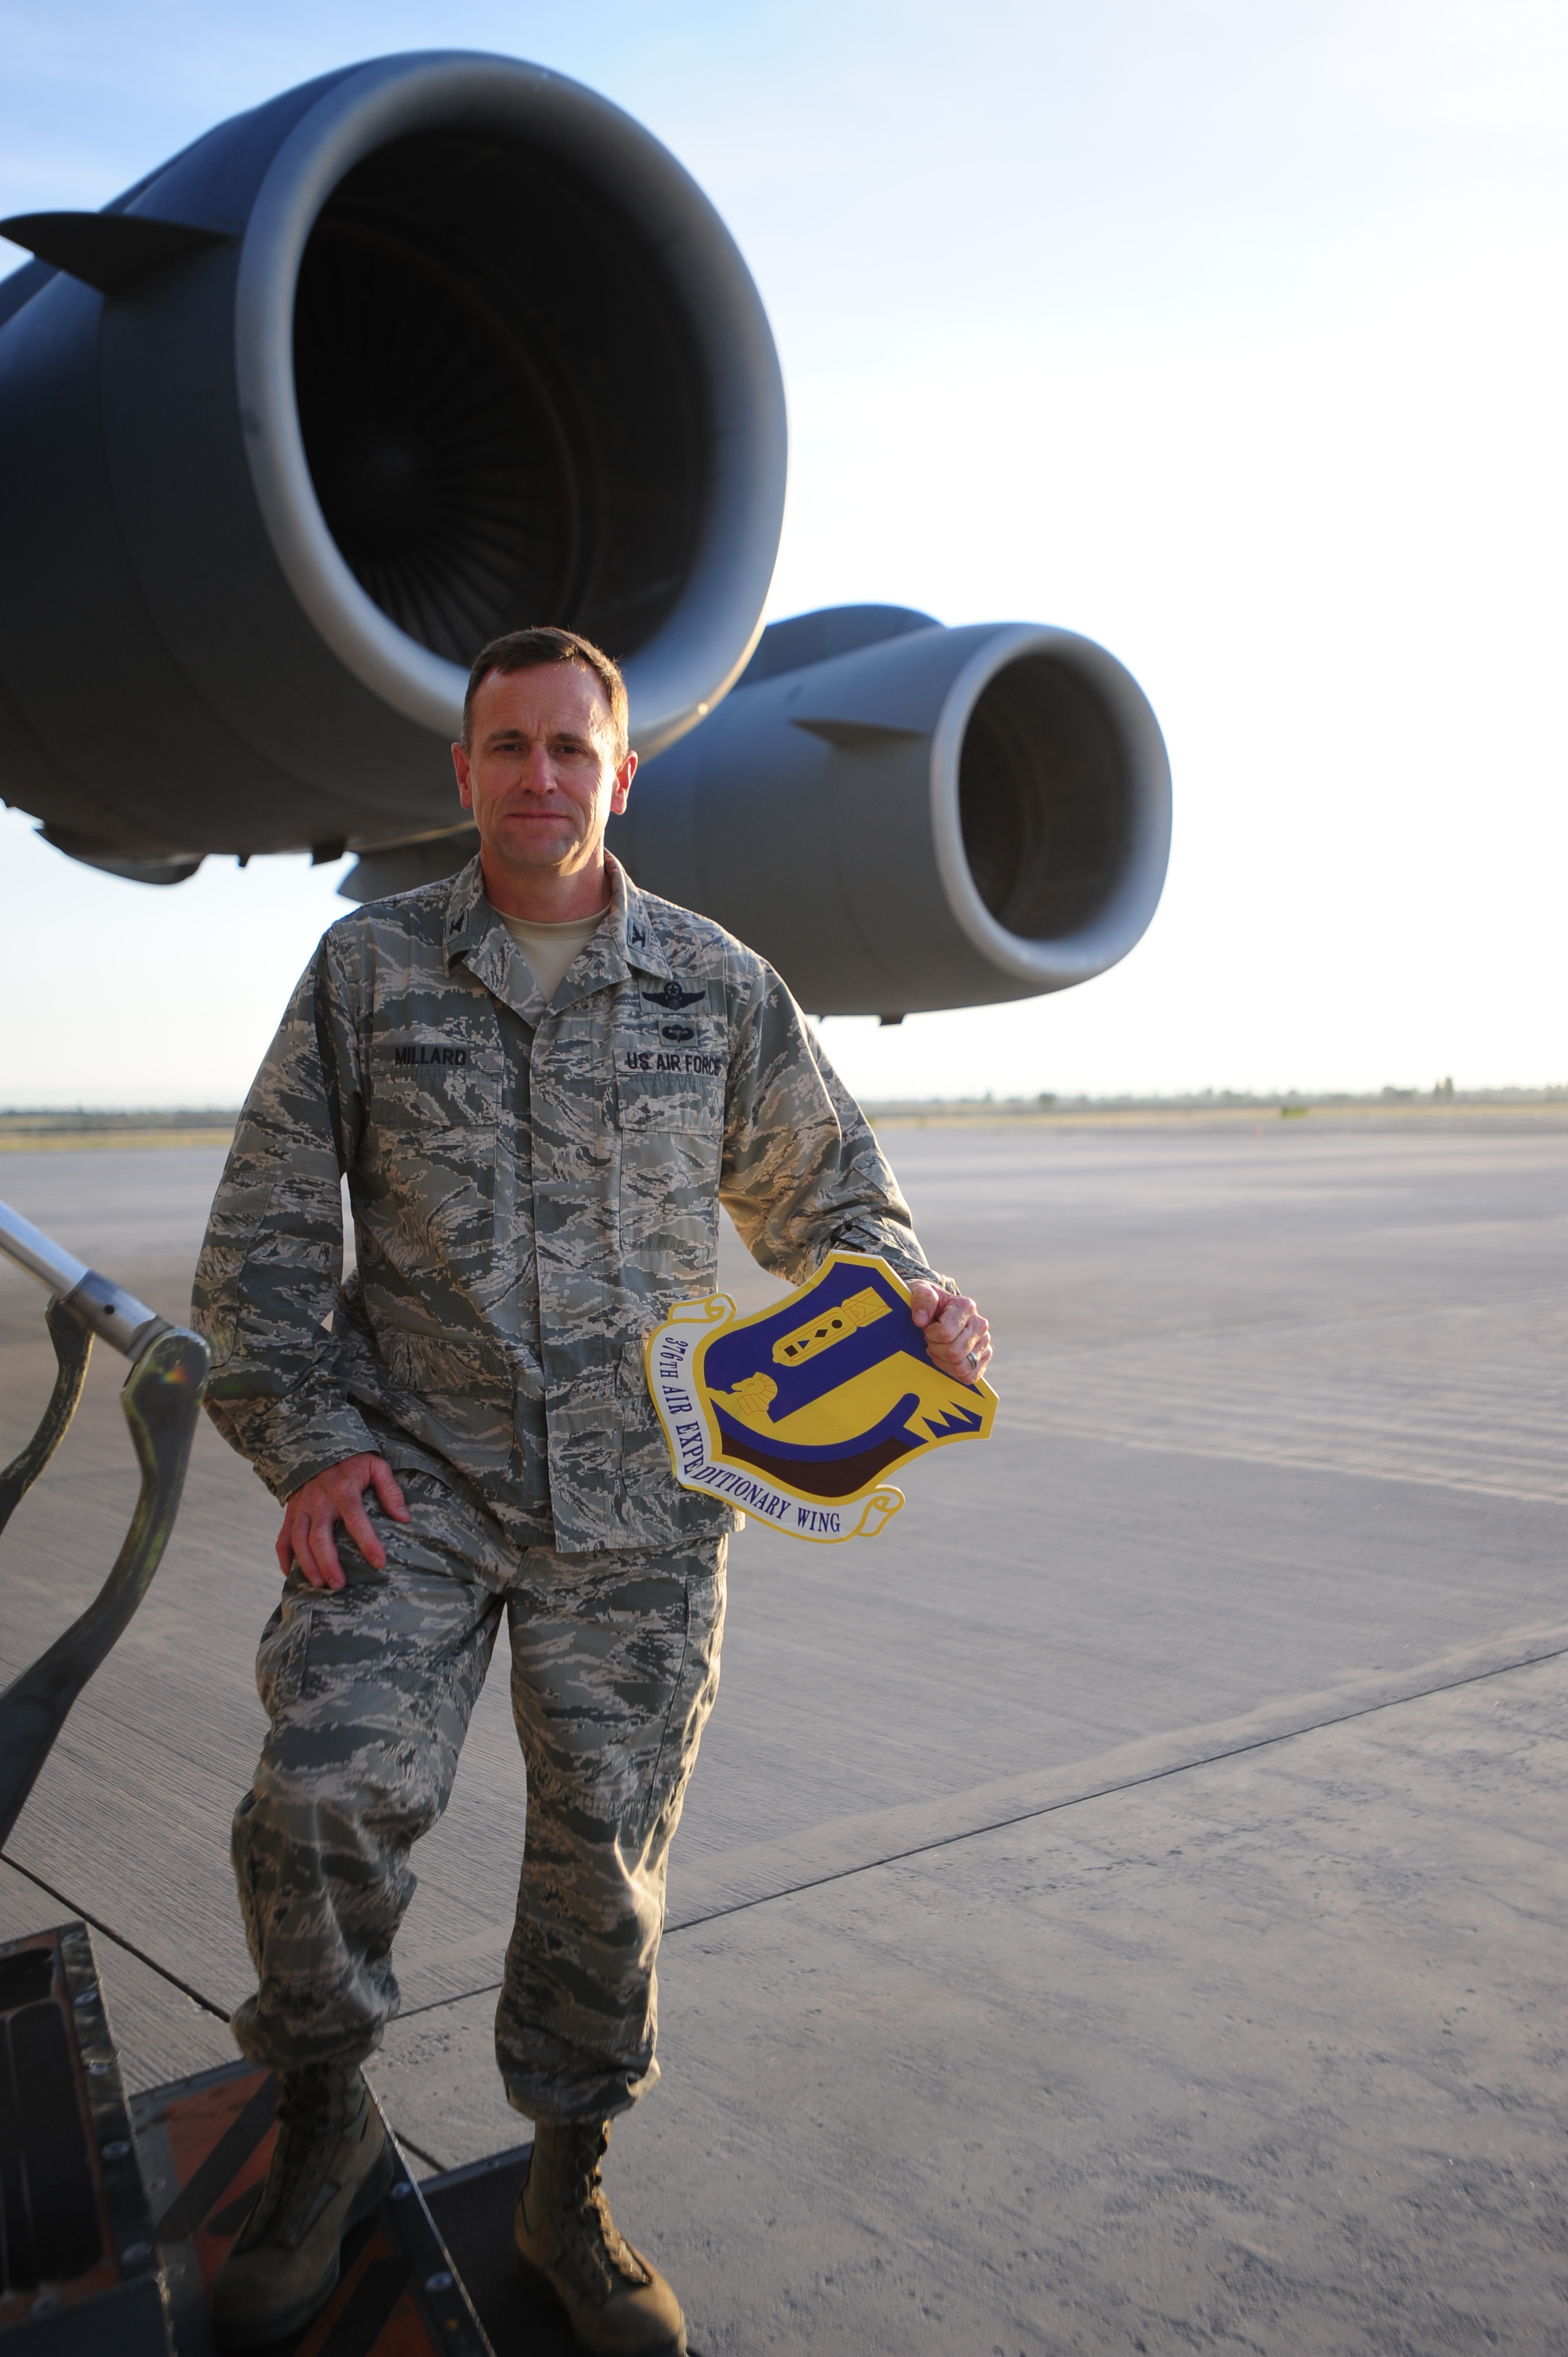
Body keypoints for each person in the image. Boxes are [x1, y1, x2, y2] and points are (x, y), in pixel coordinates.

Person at [192, 625, 992, 2354]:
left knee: (602, 1869)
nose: (540, 776)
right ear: (464, 773)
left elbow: (836, 1205)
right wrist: (308, 1446)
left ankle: (570, 2182)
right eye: (510, 747)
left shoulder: (714, 985)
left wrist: (909, 1301)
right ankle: (326, 2127)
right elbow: (261, 1242)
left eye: (573, 748)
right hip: (412, 1478)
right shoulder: (367, 972)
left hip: (641, 1497)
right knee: (316, 1798)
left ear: (622, 775)